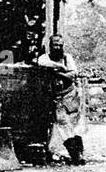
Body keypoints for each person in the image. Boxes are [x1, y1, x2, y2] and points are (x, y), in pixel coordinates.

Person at [35, 34, 85, 165]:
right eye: (55, 45)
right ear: (50, 46)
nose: (58, 47)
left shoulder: (67, 57)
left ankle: (80, 153)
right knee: (63, 124)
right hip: (56, 97)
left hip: (69, 94)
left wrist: (58, 72)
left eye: (60, 45)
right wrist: (61, 67)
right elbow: (41, 62)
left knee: (75, 124)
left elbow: (73, 74)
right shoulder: (45, 57)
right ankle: (75, 156)